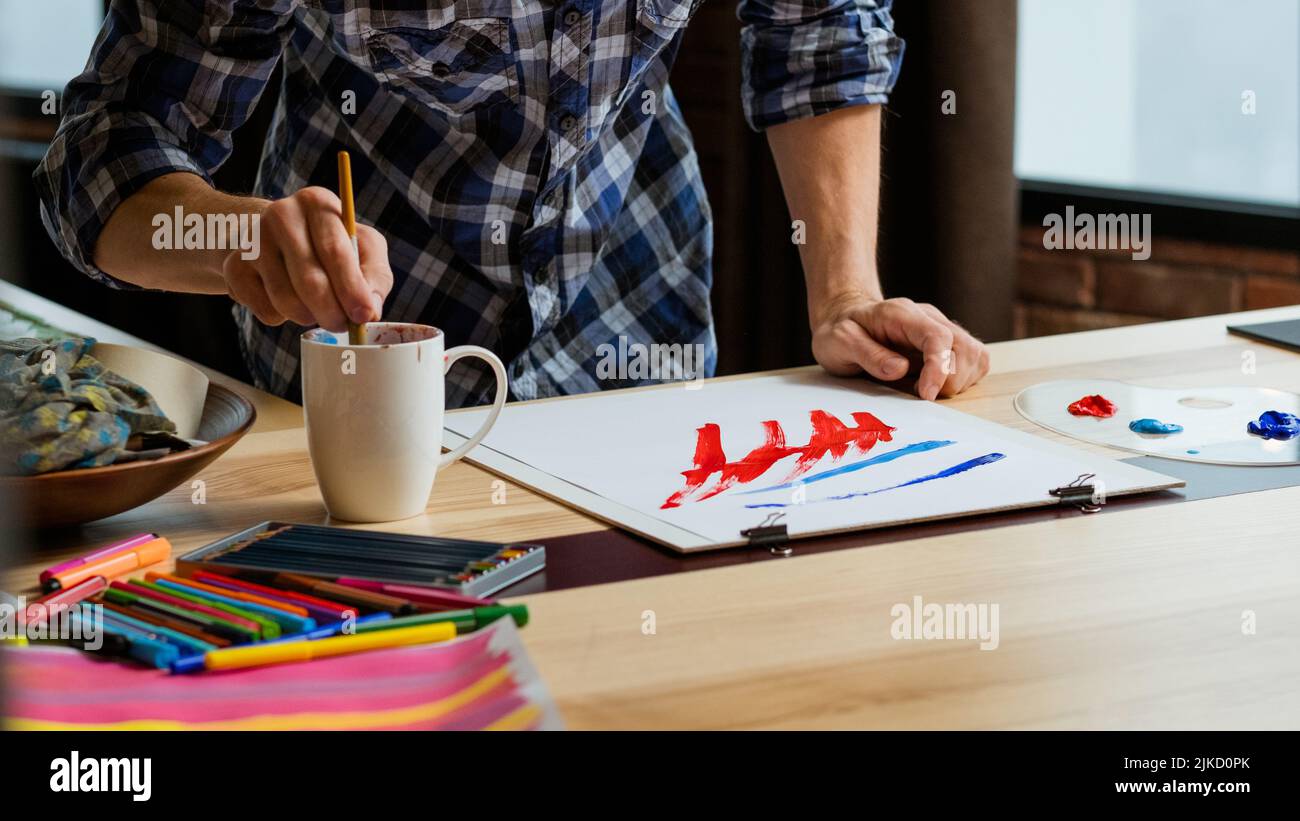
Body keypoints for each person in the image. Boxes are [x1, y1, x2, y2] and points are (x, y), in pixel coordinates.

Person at [36, 0, 989, 408]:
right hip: (362, 366)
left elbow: (819, 31)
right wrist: (241, 241)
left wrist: (845, 296)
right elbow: (107, 152)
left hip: (637, 308)